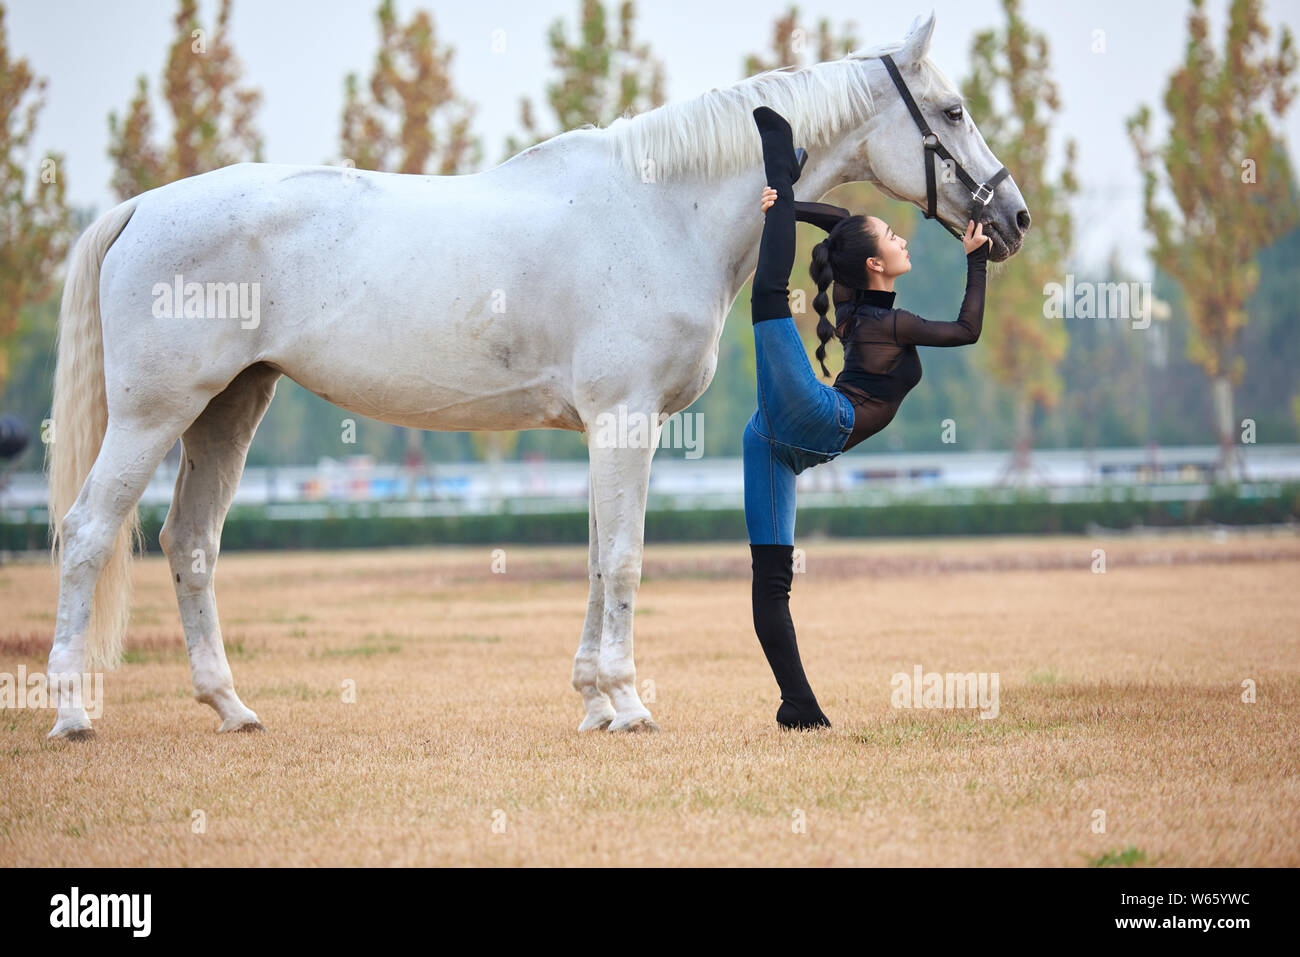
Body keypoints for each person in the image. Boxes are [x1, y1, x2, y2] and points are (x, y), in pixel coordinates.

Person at [745, 105, 992, 730]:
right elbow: (966, 330)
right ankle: (776, 155)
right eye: (892, 234)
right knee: (769, 296)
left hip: (780, 444)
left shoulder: (864, 303)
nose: (901, 237)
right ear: (876, 264)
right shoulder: (888, 319)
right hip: (814, 417)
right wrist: (976, 259)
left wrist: (796, 206)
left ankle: (798, 706)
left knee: (773, 580)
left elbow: (840, 231)